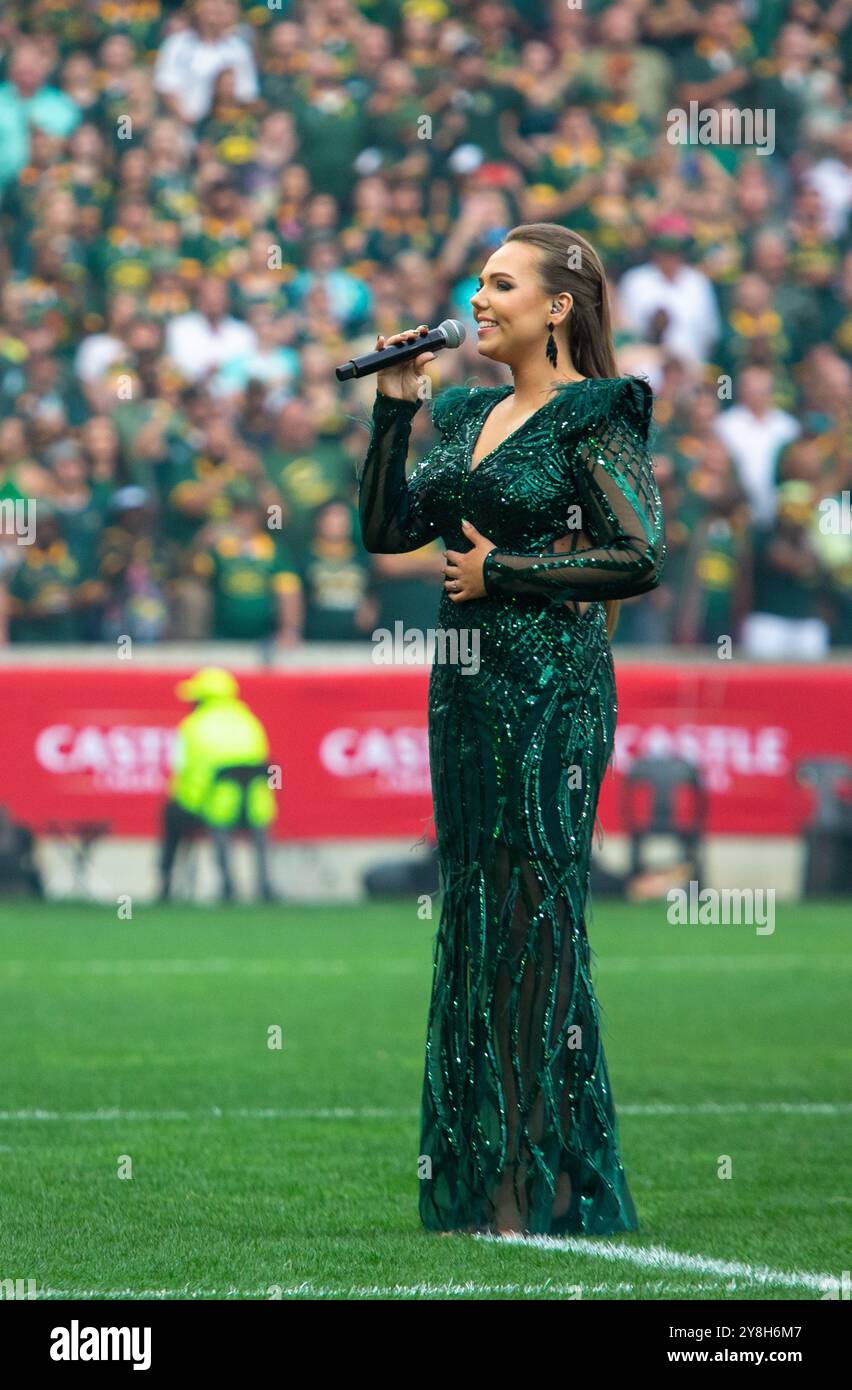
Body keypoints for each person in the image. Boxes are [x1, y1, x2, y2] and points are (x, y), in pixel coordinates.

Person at [356, 222, 666, 1237]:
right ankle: (486, 1175)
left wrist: (507, 572)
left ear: (558, 306)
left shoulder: (594, 412)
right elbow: (389, 530)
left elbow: (639, 552)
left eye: (499, 284)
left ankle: (539, 1183)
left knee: (536, 925)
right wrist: (394, 411)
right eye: (476, 284)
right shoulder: (466, 407)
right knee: (478, 925)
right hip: (464, 692)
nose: (476, 300)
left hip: (554, 695)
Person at [159, 666, 277, 902]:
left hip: (210, 806)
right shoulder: (250, 721)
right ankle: (264, 884)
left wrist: (182, 800)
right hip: (256, 808)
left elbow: (180, 772)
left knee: (170, 814)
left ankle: (167, 885)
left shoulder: (192, 727)